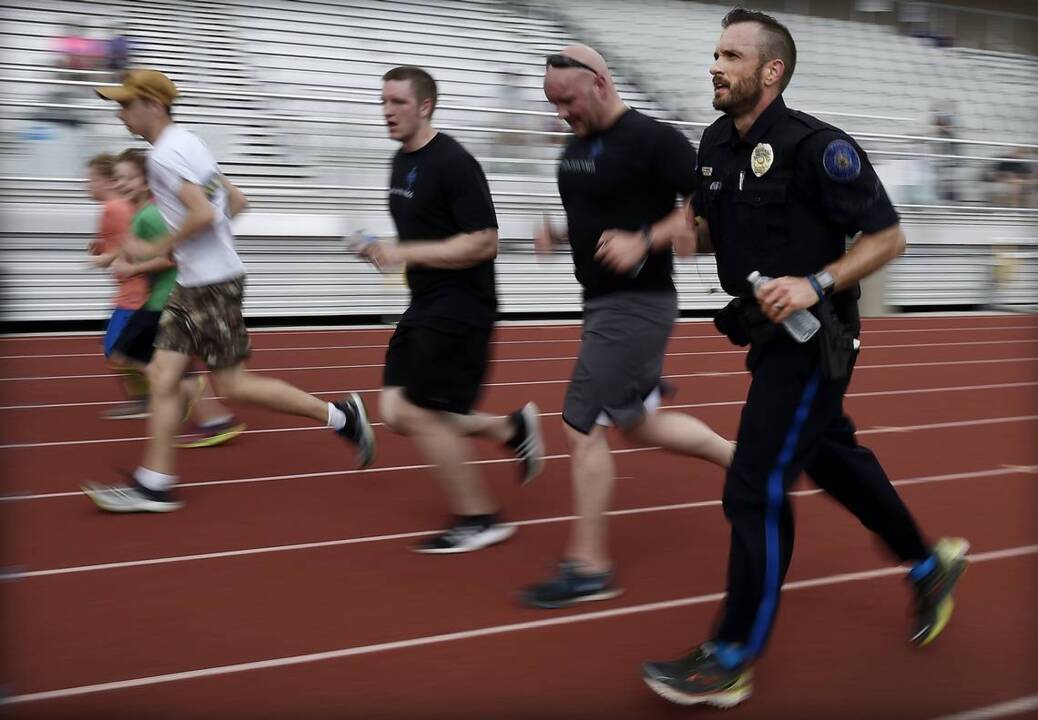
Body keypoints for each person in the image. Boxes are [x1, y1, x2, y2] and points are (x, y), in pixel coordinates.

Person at [640, 10, 968, 708]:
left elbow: (888, 238)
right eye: (715, 52)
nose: (715, 65)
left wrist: (815, 282)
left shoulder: (820, 148)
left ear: (771, 71)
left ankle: (732, 655)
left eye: (731, 55)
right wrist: (676, 230)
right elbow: (703, 215)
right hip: (763, 332)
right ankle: (927, 566)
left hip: (817, 339)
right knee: (830, 457)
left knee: (754, 487)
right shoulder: (714, 142)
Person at [83, 69, 374, 512]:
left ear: (153, 106)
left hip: (210, 285)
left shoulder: (164, 156)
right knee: (163, 376)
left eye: (126, 104)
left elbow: (202, 212)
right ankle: (156, 484)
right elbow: (235, 202)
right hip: (197, 281)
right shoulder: (190, 143)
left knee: (232, 386)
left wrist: (157, 246)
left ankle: (341, 416)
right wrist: (207, 246)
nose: (120, 113)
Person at [518, 46, 735, 608]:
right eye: (553, 104)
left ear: (599, 83)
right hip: (602, 303)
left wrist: (646, 239)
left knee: (580, 423)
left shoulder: (652, 139)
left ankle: (589, 566)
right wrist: (561, 237)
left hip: (637, 303)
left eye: (567, 100)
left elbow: (708, 203)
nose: (562, 112)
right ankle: (742, 460)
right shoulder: (576, 145)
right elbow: (595, 215)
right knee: (635, 424)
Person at [358, 65, 544, 553]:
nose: (387, 111)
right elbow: (422, 234)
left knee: (423, 409)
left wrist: (407, 253)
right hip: (424, 300)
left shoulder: (454, 162)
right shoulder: (401, 161)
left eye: (397, 102)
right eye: (383, 102)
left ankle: (481, 517)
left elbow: (485, 242)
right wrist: (385, 251)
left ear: (425, 106)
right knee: (396, 411)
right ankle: (511, 428)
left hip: (462, 305)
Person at [109, 148, 244, 448]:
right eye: (117, 179)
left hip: (164, 300)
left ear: (146, 182)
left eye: (128, 178)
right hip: (163, 297)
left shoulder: (151, 215)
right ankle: (211, 417)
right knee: (153, 361)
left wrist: (132, 267)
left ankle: (190, 396)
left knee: (125, 353)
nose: (120, 184)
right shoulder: (146, 212)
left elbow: (171, 258)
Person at [85, 152, 150, 419]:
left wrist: (103, 258)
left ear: (107, 181)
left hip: (136, 292)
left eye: (91, 180)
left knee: (118, 349)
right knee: (119, 349)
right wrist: (100, 247)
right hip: (131, 290)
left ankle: (177, 386)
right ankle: (146, 398)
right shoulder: (118, 207)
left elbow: (129, 244)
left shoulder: (115, 208)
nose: (86, 185)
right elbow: (119, 242)